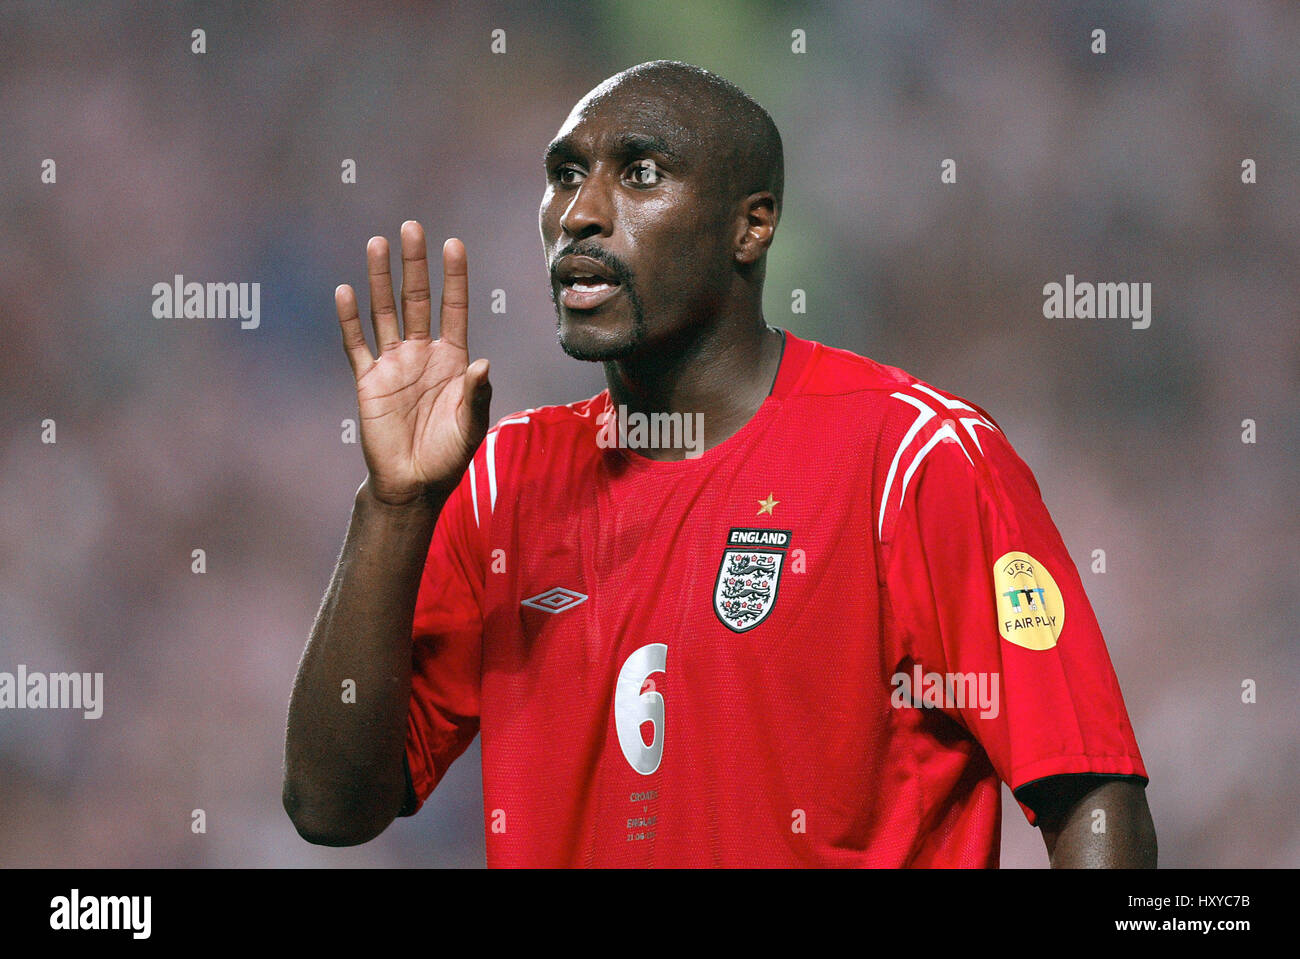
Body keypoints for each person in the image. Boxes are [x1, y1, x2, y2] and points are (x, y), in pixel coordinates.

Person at [282, 60, 1156, 867]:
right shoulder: (510, 476)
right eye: (563, 175)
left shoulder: (917, 461)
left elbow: (1088, 793)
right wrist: (393, 506)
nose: (580, 212)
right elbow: (332, 806)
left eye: (641, 172)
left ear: (752, 224)